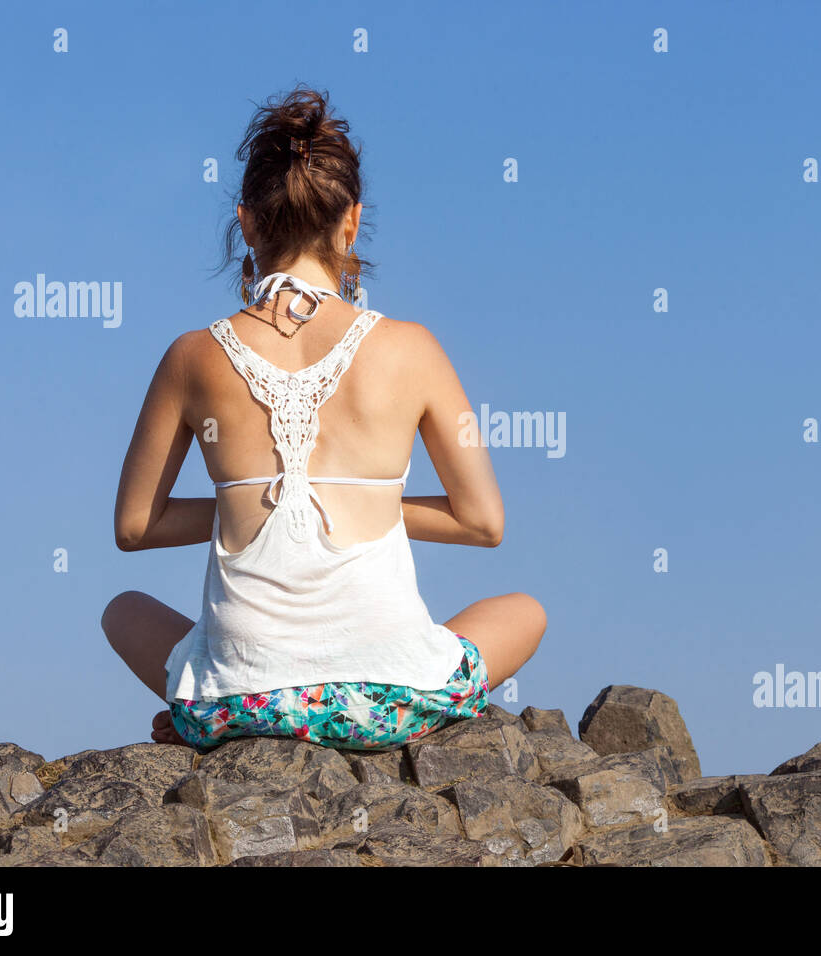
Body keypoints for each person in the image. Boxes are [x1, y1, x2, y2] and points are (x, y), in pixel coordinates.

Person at [101, 86, 546, 751]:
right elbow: (484, 522)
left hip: (239, 701)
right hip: (390, 701)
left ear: (247, 223)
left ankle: (218, 709)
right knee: (525, 612)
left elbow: (134, 528)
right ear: (352, 223)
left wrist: (249, 508)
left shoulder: (192, 356)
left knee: (121, 611)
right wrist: (372, 502)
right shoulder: (412, 348)